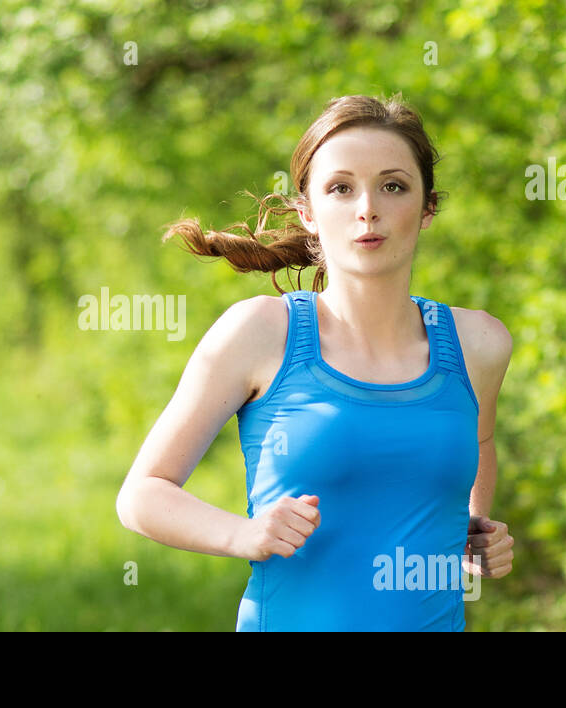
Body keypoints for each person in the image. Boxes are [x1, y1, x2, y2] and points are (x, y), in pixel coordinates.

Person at [115, 93, 515, 631]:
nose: (367, 207)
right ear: (308, 211)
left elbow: (479, 442)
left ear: (427, 208)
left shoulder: (478, 345)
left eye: (393, 186)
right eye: (341, 188)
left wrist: (470, 526)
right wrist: (245, 535)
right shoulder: (260, 334)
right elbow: (142, 494)